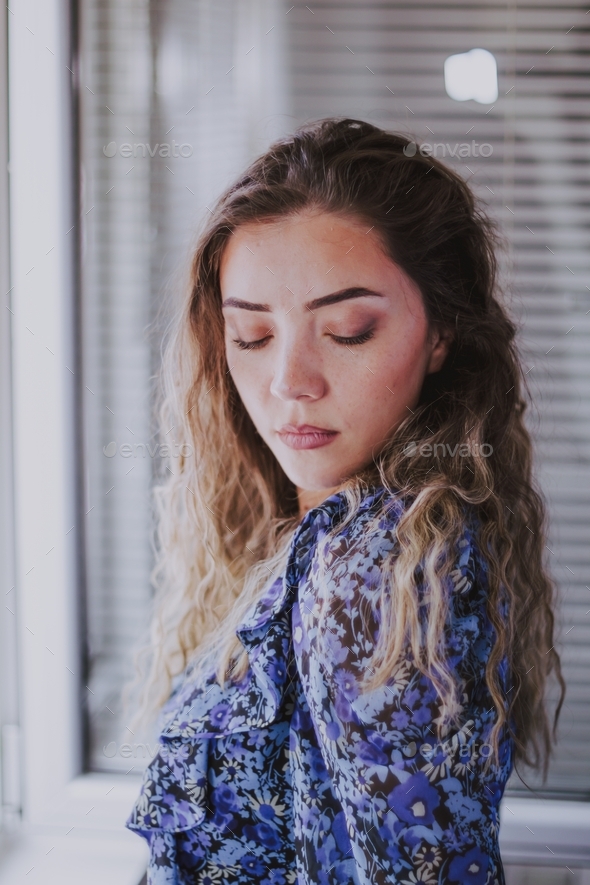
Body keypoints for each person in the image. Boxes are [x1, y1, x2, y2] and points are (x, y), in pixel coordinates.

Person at [126, 118, 564, 885]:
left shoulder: (372, 571)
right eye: (252, 336)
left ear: (442, 333)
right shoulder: (349, 532)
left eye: (348, 330)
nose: (290, 379)